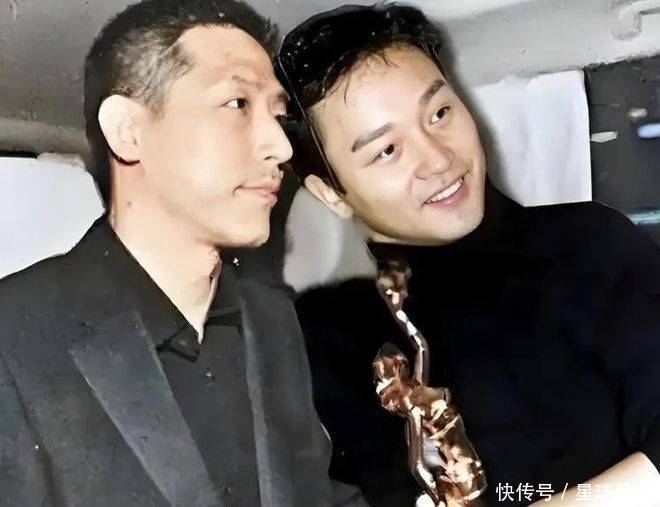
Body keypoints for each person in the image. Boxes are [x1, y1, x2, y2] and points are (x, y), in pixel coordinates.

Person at [277, 3, 660, 506]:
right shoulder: (320, 336)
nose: (439, 159)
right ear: (331, 192)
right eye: (387, 150)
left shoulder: (588, 243)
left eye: (439, 114)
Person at [0, 1, 347, 505]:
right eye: (237, 104)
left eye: (277, 115)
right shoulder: (13, 333)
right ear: (128, 132)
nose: (282, 146)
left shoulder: (274, 318)